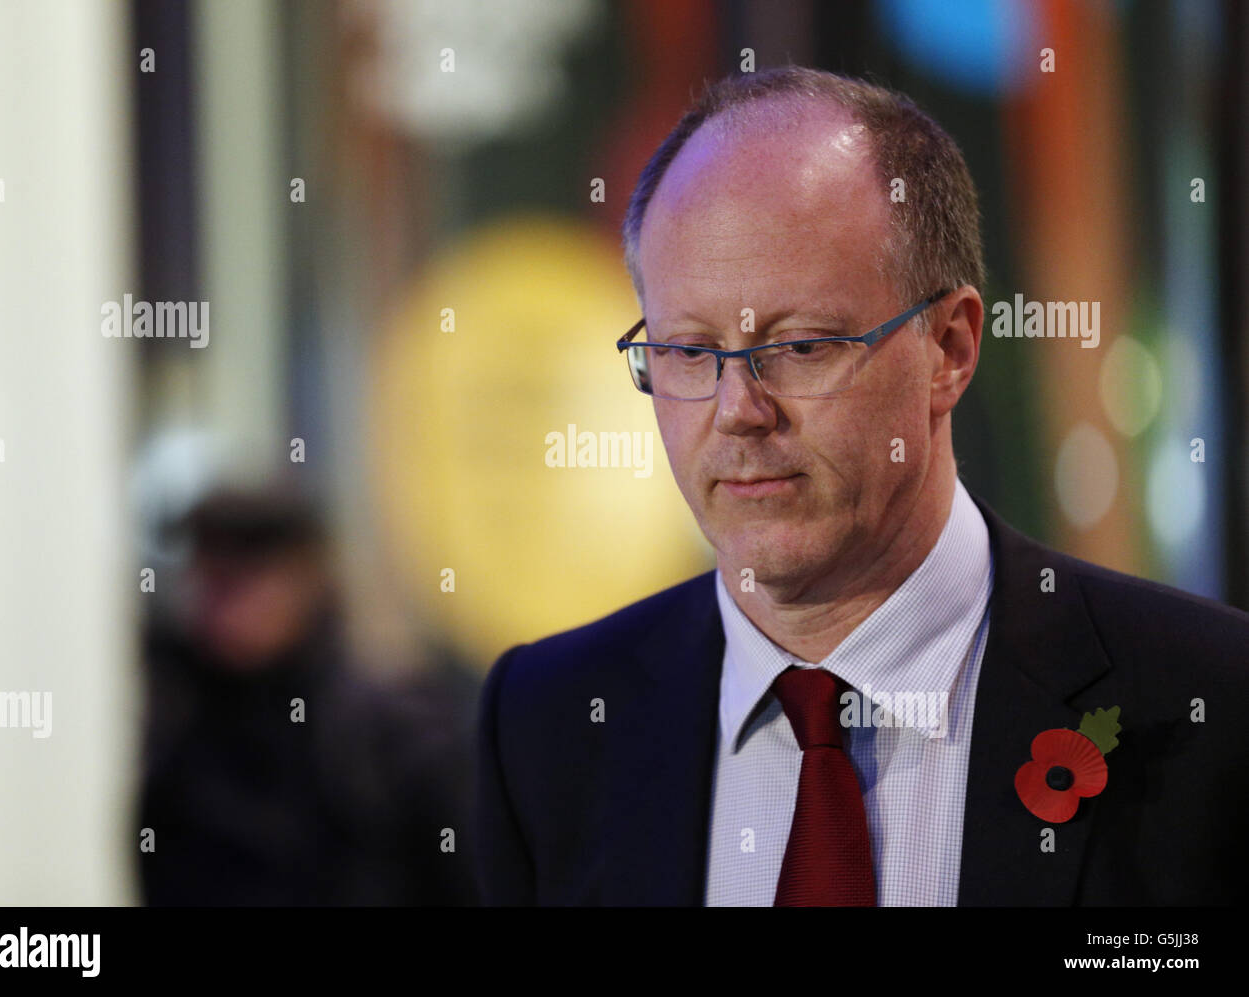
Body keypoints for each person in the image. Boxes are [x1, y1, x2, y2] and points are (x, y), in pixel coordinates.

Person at [473, 67, 1249, 906]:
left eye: (803, 345)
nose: (739, 411)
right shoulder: (548, 724)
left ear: (948, 349)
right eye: (690, 352)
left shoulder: (1210, 700)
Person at [139, 485, 477, 905]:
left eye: (241, 579)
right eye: (208, 576)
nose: (218, 603)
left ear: (307, 579)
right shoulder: (180, 730)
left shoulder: (394, 736)